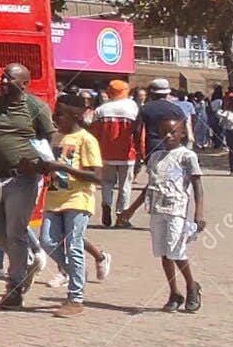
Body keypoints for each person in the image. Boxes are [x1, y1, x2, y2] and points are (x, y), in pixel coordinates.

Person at [0, 63, 53, 309]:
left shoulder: (36, 107)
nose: (2, 81)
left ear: (23, 83)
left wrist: (43, 166)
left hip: (23, 180)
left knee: (15, 232)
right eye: (2, 77)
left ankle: (14, 288)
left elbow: (49, 139)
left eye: (8, 78)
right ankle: (26, 260)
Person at [118, 118, 205, 312]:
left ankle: (192, 285)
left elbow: (197, 185)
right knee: (164, 253)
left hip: (177, 210)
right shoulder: (156, 156)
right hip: (156, 210)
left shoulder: (187, 156)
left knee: (176, 250)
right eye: (164, 132)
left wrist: (199, 211)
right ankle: (174, 293)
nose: (168, 136)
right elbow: (149, 187)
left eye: (173, 132)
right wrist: (131, 209)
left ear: (183, 133)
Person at [38, 95, 107, 317]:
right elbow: (50, 166)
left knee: (74, 245)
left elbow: (97, 177)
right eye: (54, 114)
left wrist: (64, 168)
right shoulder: (56, 137)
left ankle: (75, 297)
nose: (55, 118)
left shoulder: (87, 140)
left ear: (75, 115)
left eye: (60, 114)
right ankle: (76, 272)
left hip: (78, 198)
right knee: (47, 241)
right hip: (55, 197)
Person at [90, 79, 139, 228]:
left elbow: (94, 133)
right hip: (127, 153)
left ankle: (106, 204)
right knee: (125, 185)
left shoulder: (101, 110)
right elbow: (137, 131)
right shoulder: (132, 107)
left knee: (107, 183)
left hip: (105, 153)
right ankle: (121, 216)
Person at [136, 79, 186, 165]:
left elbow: (137, 130)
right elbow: (184, 130)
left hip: (152, 146)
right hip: (172, 146)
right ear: (167, 93)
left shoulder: (145, 108)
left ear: (152, 93)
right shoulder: (176, 109)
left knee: (154, 174)